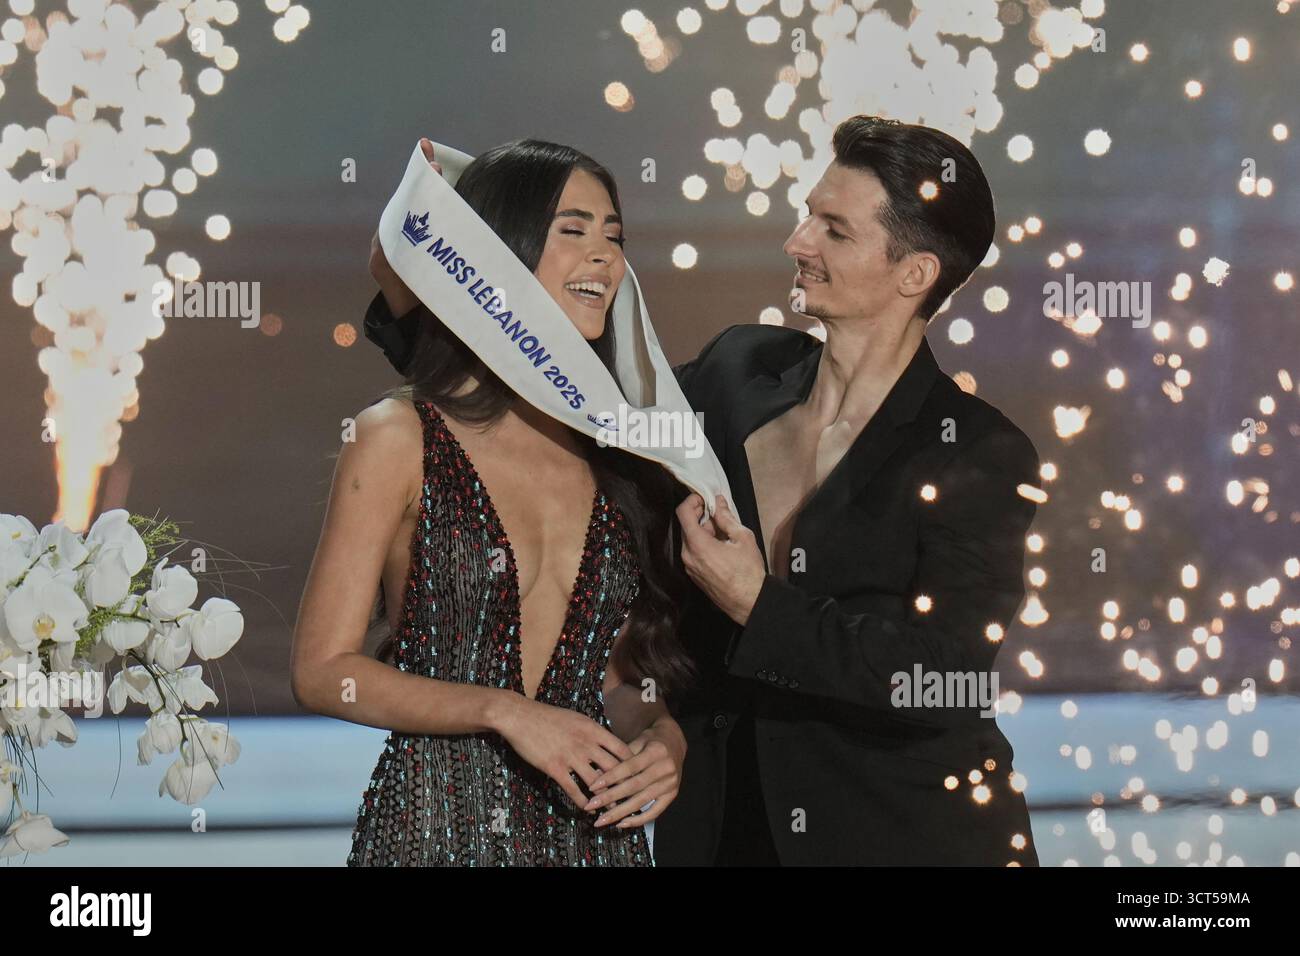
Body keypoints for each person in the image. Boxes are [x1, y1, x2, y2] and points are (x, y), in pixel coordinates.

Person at [365, 117, 1042, 866]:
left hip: (905, 837)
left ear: (913, 273)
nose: (798, 243)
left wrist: (760, 604)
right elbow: (570, 411)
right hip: (721, 833)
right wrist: (417, 278)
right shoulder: (736, 371)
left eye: (834, 231)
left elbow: (944, 677)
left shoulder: (978, 450)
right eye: (808, 214)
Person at [291, 138, 689, 866]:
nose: (603, 256)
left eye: (614, 236)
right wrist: (503, 713)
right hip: (432, 833)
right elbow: (322, 671)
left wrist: (663, 735)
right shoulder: (398, 436)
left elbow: (620, 680)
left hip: (592, 837)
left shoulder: (627, 457)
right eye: (572, 231)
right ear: (498, 257)